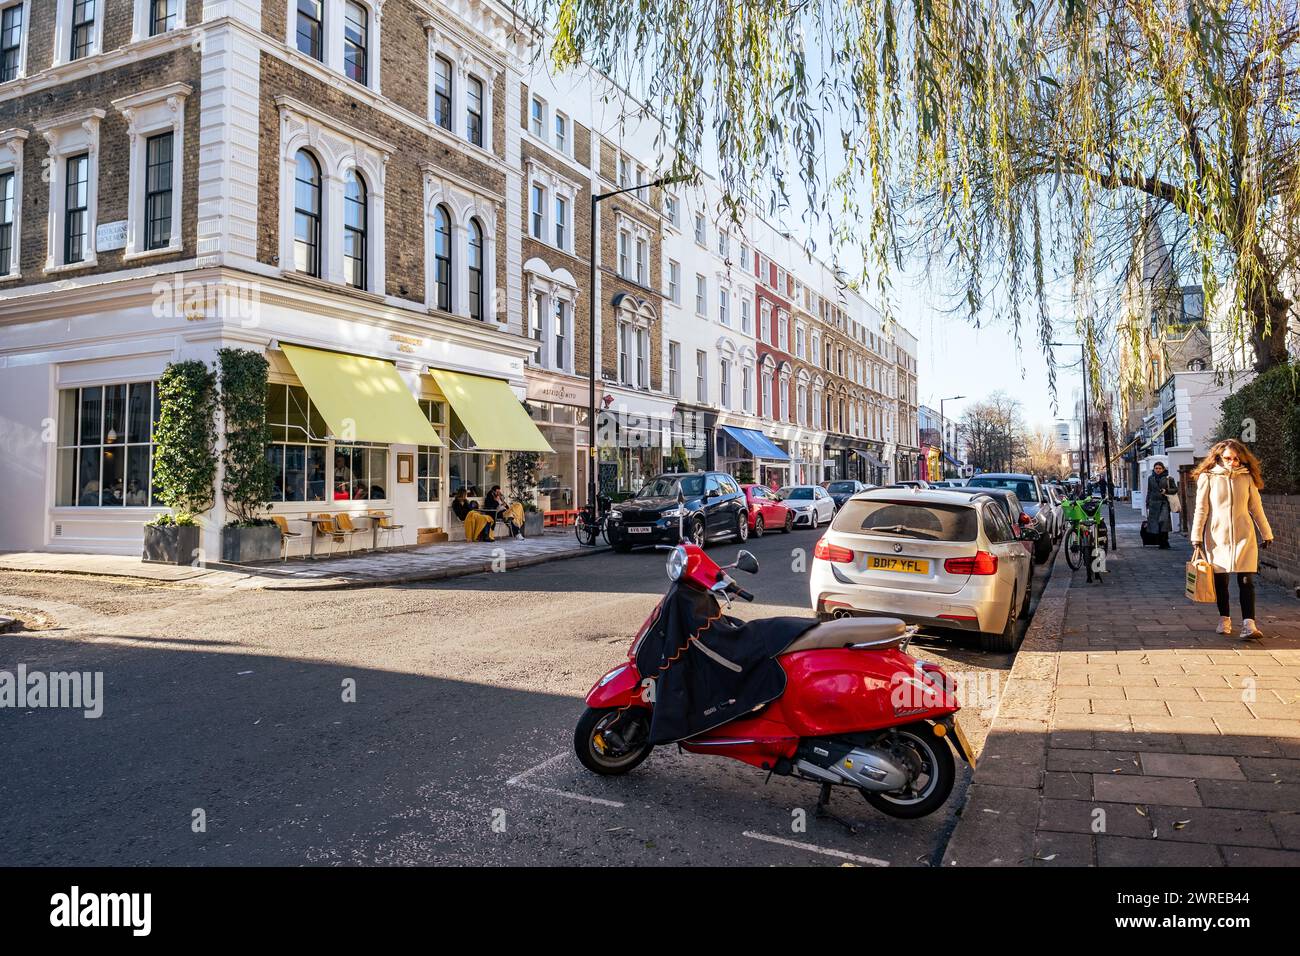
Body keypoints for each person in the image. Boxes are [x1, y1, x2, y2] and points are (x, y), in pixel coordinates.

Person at [1190, 439, 1274, 639]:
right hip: (1217, 536)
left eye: (1237, 459)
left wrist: (1267, 532)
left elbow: (1256, 508)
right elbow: (1201, 510)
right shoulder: (1208, 478)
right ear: (1218, 457)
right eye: (1228, 458)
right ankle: (1224, 618)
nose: (1233, 462)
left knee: (1246, 579)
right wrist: (1196, 536)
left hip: (1245, 534)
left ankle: (1249, 624)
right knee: (1221, 580)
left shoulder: (1247, 478)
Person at [1143, 462, 1177, 549]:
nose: (1158, 470)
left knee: (1163, 522)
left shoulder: (1168, 478)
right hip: (1153, 504)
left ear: (1163, 469)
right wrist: (1147, 502)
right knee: (1156, 523)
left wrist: (1166, 491)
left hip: (1164, 503)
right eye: (1156, 468)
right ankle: (1162, 542)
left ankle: (1164, 541)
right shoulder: (1151, 478)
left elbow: (1175, 489)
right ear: (1154, 469)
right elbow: (1149, 491)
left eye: (1160, 468)